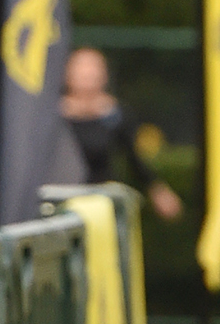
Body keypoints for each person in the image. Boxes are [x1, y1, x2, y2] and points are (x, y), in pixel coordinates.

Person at [61, 47, 184, 220]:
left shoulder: (116, 115)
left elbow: (135, 159)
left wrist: (158, 190)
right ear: (68, 73)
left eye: (94, 67)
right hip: (62, 203)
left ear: (104, 74)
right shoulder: (52, 117)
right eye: (82, 67)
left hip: (103, 204)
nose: (88, 73)